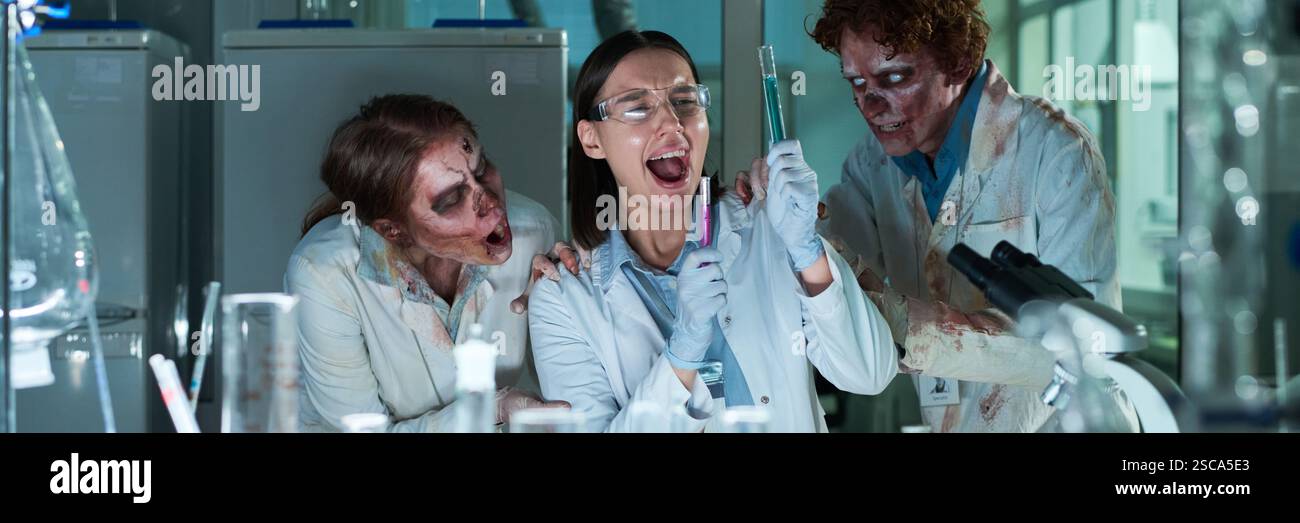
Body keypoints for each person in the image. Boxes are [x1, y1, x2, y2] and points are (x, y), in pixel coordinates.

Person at [736, 0, 1137, 432]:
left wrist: (902, 324)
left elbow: (1085, 343)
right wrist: (774, 220)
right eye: (856, 82)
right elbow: (828, 265)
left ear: (960, 63)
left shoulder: (1056, 152)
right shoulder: (873, 165)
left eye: (894, 78)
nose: (870, 105)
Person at [526, 30, 897, 433]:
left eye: (684, 101)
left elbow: (870, 372)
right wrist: (683, 351)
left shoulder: (767, 228)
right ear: (591, 139)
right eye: (636, 107)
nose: (671, 121)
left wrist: (805, 248)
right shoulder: (564, 298)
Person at [286, 94, 569, 432]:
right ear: (394, 230)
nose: (492, 205)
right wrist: (490, 409)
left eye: (481, 169)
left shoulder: (533, 231)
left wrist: (575, 301)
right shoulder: (324, 273)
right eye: (451, 199)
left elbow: (572, 387)